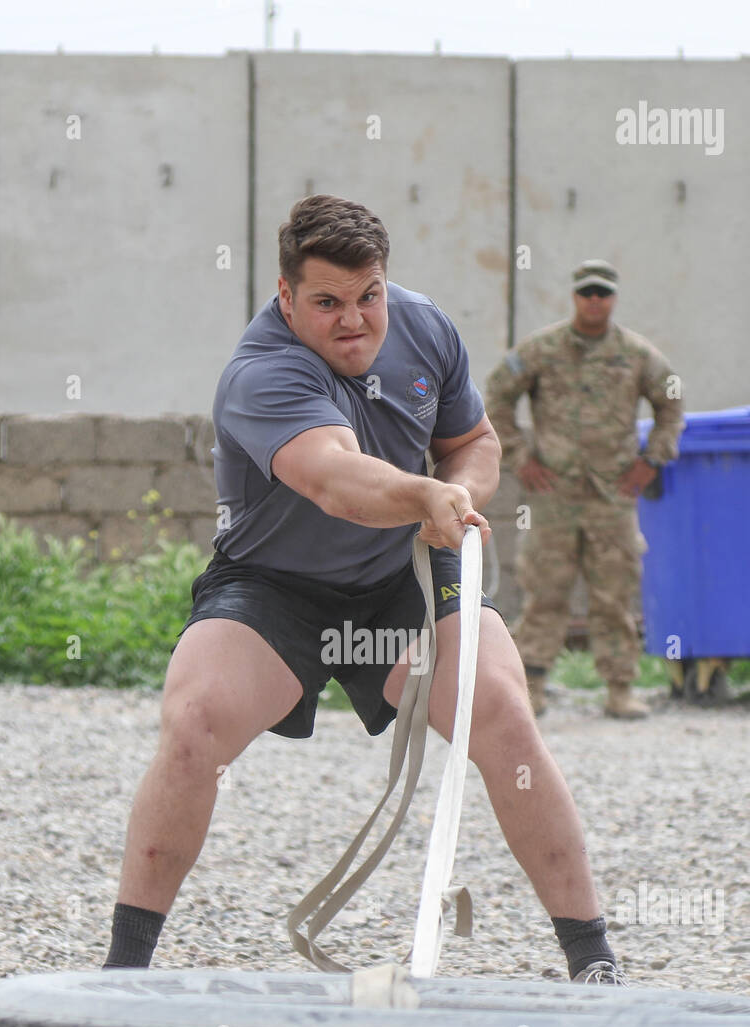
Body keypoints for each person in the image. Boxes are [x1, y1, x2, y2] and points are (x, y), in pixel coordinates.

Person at [102, 197, 625, 985]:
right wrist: (425, 498)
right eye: (327, 303)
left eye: (368, 296)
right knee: (194, 721)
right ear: (286, 297)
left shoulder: (425, 327)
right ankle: (121, 976)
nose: (354, 321)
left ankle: (595, 963)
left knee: (502, 713)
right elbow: (337, 480)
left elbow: (475, 441)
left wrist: (459, 490)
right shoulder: (262, 370)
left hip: (401, 577)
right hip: (276, 585)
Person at [485, 260, 684, 717]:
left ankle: (619, 688)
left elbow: (671, 400)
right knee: (544, 589)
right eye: (587, 292)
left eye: (603, 293)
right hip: (553, 491)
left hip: (612, 494)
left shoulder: (637, 355)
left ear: (613, 298)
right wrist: (520, 457)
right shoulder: (542, 349)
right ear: (575, 296)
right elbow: (496, 395)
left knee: (614, 592)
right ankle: (530, 685)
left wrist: (651, 459)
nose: (595, 300)